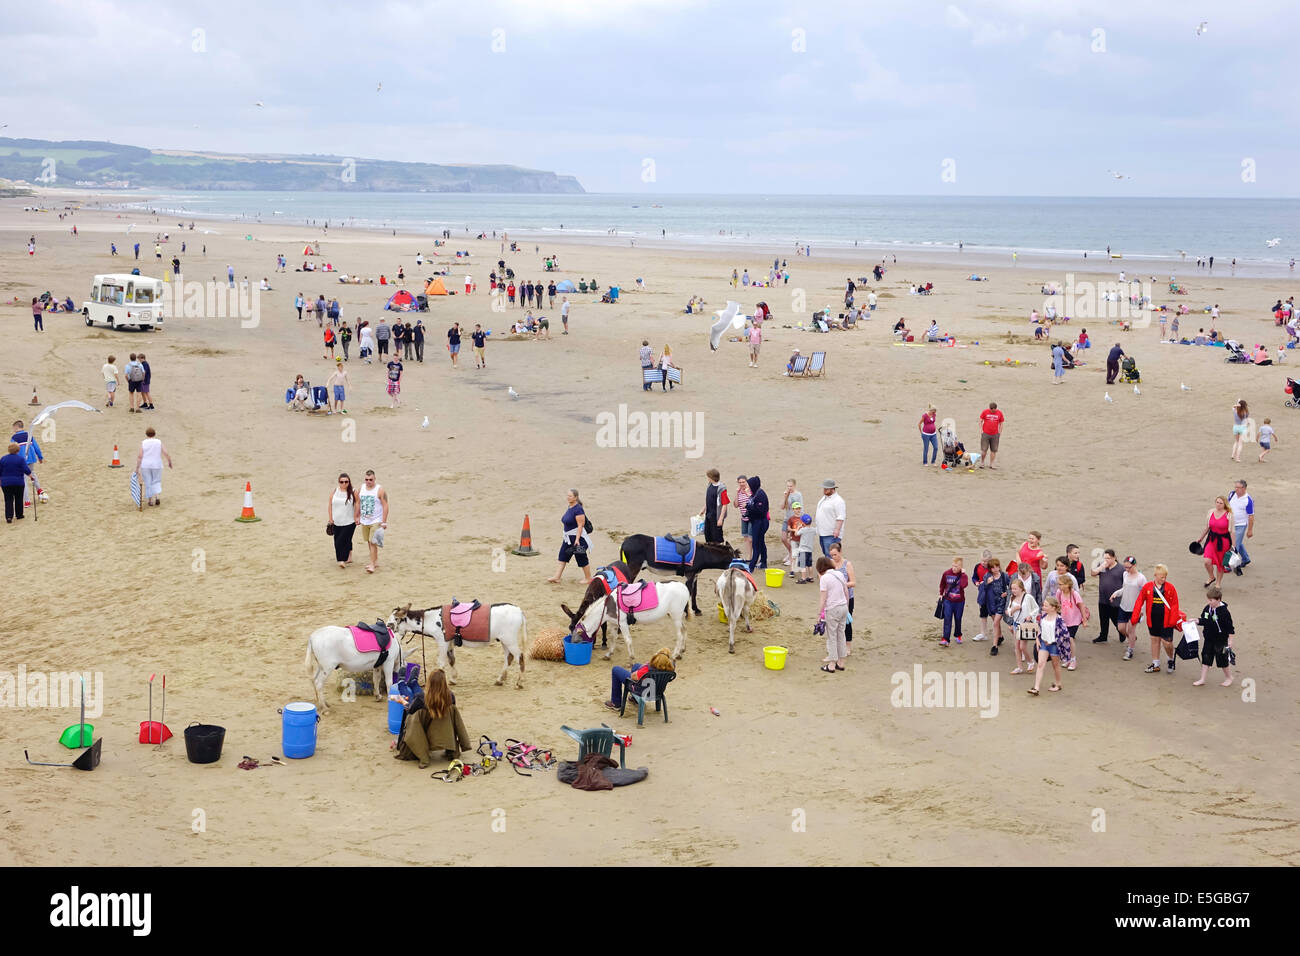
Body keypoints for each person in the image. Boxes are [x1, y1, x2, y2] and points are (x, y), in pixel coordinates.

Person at [392, 669, 471, 770]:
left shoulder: (422, 698)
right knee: (418, 696)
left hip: (424, 728)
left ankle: (401, 683)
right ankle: (413, 682)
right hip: (442, 730)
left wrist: (403, 702)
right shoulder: (450, 696)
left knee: (409, 699)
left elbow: (410, 712)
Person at [1133, 563, 1180, 673]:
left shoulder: (1170, 587)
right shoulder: (1148, 587)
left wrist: (1172, 620)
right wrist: (1135, 615)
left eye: (1165, 577)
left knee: (1167, 642)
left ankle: (1170, 658)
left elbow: (1174, 604)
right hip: (1153, 619)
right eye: (1161, 576)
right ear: (1155, 575)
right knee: (1154, 640)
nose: (1164, 579)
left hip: (1167, 621)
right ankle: (1155, 664)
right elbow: (1139, 600)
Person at [604, 648, 675, 711]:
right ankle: (634, 699)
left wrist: (646, 665)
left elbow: (633, 676)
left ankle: (616, 703)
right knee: (636, 665)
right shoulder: (670, 670)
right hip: (657, 691)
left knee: (616, 669)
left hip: (642, 691)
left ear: (656, 657)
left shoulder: (647, 669)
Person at [548, 488, 592, 584]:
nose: (568, 497)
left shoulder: (578, 509)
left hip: (578, 538)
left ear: (575, 497)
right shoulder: (570, 507)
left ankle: (588, 578)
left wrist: (577, 539)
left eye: (570, 496)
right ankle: (557, 577)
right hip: (568, 538)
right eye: (567, 495)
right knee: (563, 556)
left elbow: (580, 525)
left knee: (581, 558)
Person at [1193, 586, 1235, 687]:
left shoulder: (1224, 612)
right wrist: (1196, 620)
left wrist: (1230, 640)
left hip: (1221, 640)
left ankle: (1229, 677)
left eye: (1211, 600)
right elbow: (1204, 620)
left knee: (1222, 659)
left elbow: (1230, 627)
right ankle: (1202, 679)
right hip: (1209, 638)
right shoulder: (1208, 608)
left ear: (1218, 600)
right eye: (1208, 599)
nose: (1209, 602)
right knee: (1206, 656)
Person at [1028, 596, 1067, 695]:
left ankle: (1058, 683)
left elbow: (1064, 634)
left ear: (1053, 607)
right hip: (1043, 644)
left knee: (1056, 665)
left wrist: (1053, 641)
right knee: (1040, 664)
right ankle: (1036, 688)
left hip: (1054, 645)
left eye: (1046, 605)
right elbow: (1039, 629)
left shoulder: (1059, 620)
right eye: (1044, 605)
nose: (1043, 607)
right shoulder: (1043, 617)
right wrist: (1037, 639)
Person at [816, 555, 849, 672]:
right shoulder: (839, 574)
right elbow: (846, 592)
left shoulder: (824, 579)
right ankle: (841, 662)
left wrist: (819, 614)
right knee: (841, 635)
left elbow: (823, 599)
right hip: (843, 607)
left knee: (832, 637)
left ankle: (831, 664)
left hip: (832, 609)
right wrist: (847, 608)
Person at [1005, 577, 1040, 674]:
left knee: (1022, 647)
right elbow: (1008, 611)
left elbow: (1036, 608)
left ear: (1021, 588)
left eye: (1015, 588)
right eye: (1012, 589)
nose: (1013, 591)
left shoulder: (1028, 597)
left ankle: (1030, 661)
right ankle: (1019, 667)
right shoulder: (1012, 598)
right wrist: (1013, 610)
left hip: (1025, 625)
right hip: (1016, 624)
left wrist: (1030, 616)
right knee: (1017, 647)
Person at [977, 556, 1009, 655]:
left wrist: (1006, 593)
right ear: (990, 569)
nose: (995, 569)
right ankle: (1000, 636)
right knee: (996, 621)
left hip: (1001, 602)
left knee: (995, 623)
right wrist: (987, 583)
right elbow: (982, 589)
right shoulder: (987, 576)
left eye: (997, 567)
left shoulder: (1004, 576)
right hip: (990, 602)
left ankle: (994, 646)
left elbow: (1011, 587)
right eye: (993, 567)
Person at [1091, 549, 1124, 644]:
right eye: (1105, 558)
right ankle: (1103, 635)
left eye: (1108, 558)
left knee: (1115, 618)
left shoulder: (1121, 569)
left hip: (1115, 599)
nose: (1106, 560)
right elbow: (1093, 574)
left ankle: (1122, 632)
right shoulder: (1102, 566)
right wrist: (1101, 567)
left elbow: (1126, 582)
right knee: (1103, 617)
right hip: (1103, 598)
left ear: (1114, 558)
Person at [357, 470, 388, 574]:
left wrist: (384, 522)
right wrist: (357, 516)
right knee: (369, 542)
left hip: (376, 520)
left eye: (370, 479)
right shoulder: (361, 488)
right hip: (365, 520)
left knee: (372, 542)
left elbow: (385, 505)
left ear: (374, 479)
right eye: (366, 479)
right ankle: (375, 561)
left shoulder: (379, 490)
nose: (368, 481)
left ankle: (372, 564)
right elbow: (358, 502)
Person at [134, 426, 173, 507]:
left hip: (146, 465)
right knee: (156, 480)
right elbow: (165, 453)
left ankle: (150, 500)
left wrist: (137, 468)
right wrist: (169, 461)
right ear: (154, 434)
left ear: (146, 434)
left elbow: (140, 456)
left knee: (148, 482)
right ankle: (157, 497)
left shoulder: (144, 442)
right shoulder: (159, 442)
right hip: (157, 464)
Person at [828, 541, 856, 651]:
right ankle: (836, 645)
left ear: (840, 552)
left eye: (835, 554)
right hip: (834, 598)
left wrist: (841, 584)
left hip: (847, 598)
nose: (834, 557)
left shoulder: (847, 564)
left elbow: (853, 582)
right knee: (834, 623)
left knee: (846, 622)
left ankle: (848, 645)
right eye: (832, 555)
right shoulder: (830, 563)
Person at [1200, 495, 1232, 589]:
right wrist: (1201, 538)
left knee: (1220, 563)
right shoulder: (1211, 512)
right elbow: (1207, 527)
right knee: (1207, 561)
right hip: (1211, 539)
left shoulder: (1229, 515)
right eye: (1217, 502)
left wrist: (1233, 545)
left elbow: (1232, 531)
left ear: (1224, 504)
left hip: (1224, 541)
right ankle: (1211, 576)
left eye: (1220, 503)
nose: (1218, 504)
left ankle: (1218, 583)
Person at [1056, 574, 1087, 670]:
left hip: (1074, 620)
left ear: (1067, 584)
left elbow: (1081, 606)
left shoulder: (1074, 594)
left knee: (1070, 639)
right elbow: (1057, 605)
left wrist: (1084, 619)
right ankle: (1068, 658)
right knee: (1063, 639)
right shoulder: (1059, 592)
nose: (1059, 586)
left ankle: (1073, 660)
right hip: (1064, 620)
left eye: (1061, 584)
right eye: (1059, 584)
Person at [328, 472, 359, 568]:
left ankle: (341, 560)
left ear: (349, 482)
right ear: (339, 482)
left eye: (346, 482)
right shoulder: (335, 491)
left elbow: (358, 503)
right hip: (337, 521)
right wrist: (330, 518)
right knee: (343, 539)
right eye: (342, 482)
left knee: (341, 540)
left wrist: (356, 516)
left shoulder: (353, 491)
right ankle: (349, 557)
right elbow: (330, 504)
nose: (344, 484)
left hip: (349, 521)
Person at [938, 556, 968, 647]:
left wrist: (962, 574)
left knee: (958, 618)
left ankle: (958, 635)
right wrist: (940, 593)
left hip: (959, 601)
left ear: (961, 567)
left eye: (956, 566)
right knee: (947, 618)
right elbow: (942, 584)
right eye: (953, 566)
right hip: (948, 600)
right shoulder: (946, 573)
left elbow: (963, 585)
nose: (954, 568)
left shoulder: (964, 576)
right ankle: (945, 639)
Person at [1226, 479, 1254, 575]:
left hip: (1240, 525)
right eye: (1235, 487)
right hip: (1230, 523)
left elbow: (1251, 516)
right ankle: (1245, 558)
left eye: (1238, 487)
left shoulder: (1248, 500)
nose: (1236, 489)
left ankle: (1228, 565)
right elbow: (1227, 506)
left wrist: (1249, 530)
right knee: (1238, 541)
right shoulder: (1232, 494)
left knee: (1234, 545)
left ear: (1244, 488)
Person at [743, 476, 770, 573]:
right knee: (761, 542)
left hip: (761, 522)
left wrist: (749, 507)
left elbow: (760, 511)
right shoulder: (755, 494)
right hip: (756, 521)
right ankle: (763, 561)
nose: (748, 487)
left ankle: (751, 566)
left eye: (749, 485)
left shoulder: (760, 495)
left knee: (756, 544)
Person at [1, 442, 32, 523]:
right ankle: (19, 515)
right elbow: (26, 470)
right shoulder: (21, 459)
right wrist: (31, 476)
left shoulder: (3, 459)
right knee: (19, 498)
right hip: (18, 482)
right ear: (18, 450)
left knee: (8, 499)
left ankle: (9, 517)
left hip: (6, 483)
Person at [815, 478, 845, 557]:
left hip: (831, 534)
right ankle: (830, 568)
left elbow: (841, 517)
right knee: (826, 554)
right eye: (824, 488)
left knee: (832, 555)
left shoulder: (838, 501)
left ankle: (834, 569)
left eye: (826, 489)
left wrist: (837, 530)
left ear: (832, 489)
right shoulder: (824, 498)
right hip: (823, 532)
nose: (824, 490)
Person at [779, 479, 803, 565]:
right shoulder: (786, 494)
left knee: (793, 540)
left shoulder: (798, 495)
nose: (789, 488)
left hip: (795, 520)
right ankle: (790, 552)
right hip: (787, 519)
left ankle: (792, 556)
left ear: (794, 486)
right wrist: (786, 497)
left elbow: (800, 508)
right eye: (788, 486)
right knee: (783, 538)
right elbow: (783, 507)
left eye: (791, 486)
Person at [700, 468, 725, 544]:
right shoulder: (710, 485)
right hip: (708, 515)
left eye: (708, 477)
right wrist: (704, 508)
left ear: (711, 478)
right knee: (708, 535)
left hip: (716, 517)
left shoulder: (721, 489)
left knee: (716, 537)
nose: (707, 478)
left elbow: (725, 505)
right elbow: (709, 499)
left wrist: (721, 518)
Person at [978, 401, 1004, 469]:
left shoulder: (999, 413)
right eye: (990, 409)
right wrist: (981, 430)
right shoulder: (985, 412)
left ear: (995, 408)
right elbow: (980, 420)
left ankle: (992, 464)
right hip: (985, 434)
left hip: (995, 434)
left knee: (994, 450)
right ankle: (982, 462)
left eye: (993, 410)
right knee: (984, 450)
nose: (991, 411)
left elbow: (1001, 423)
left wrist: (1000, 432)